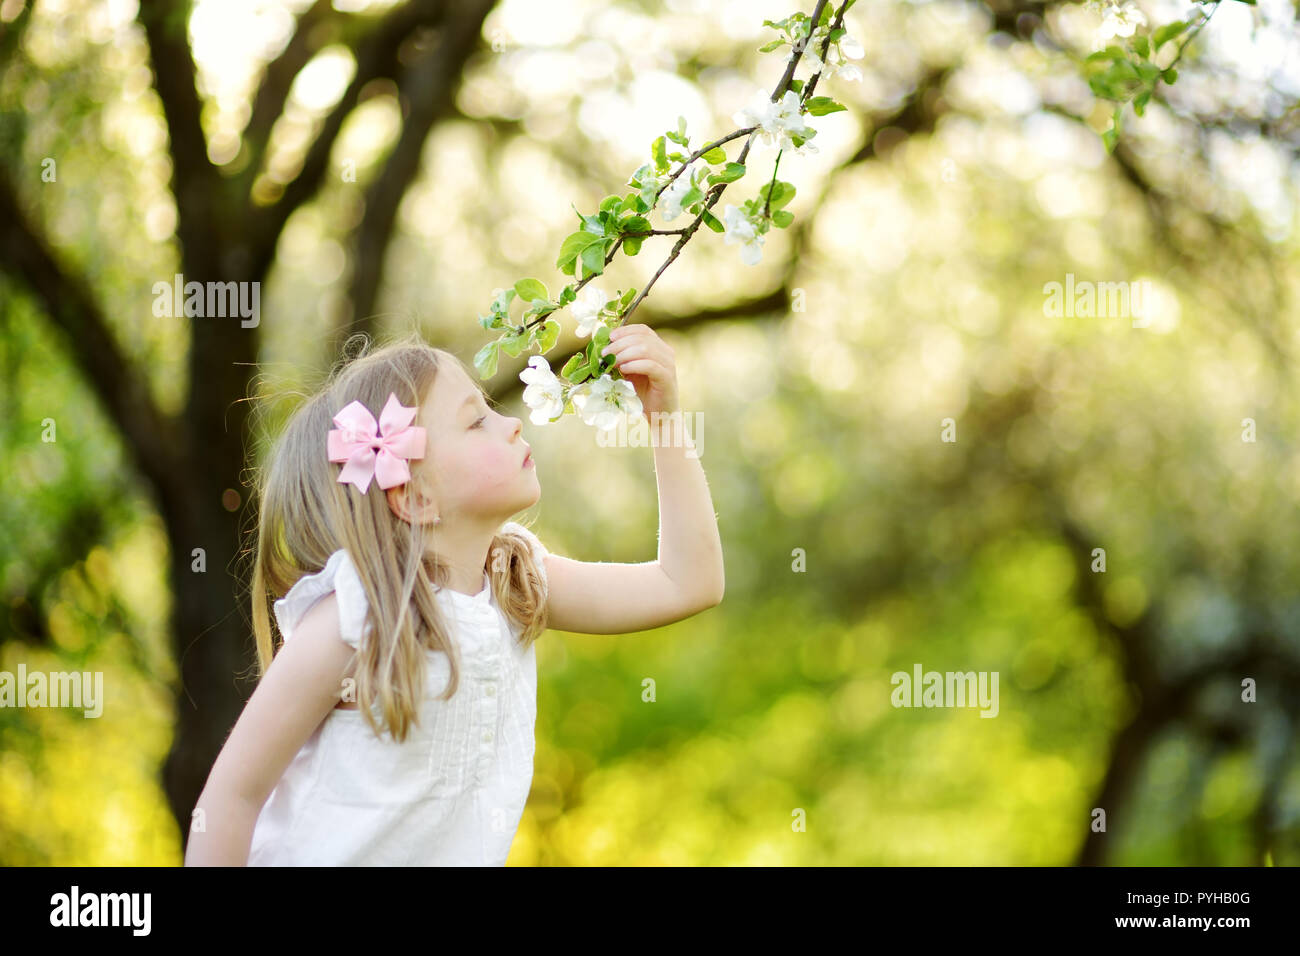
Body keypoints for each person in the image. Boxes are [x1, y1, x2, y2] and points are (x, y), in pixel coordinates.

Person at [183, 326, 724, 865]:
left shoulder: (516, 582)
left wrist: (664, 418)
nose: (511, 424)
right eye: (476, 420)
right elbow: (233, 796)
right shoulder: (355, 617)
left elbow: (689, 582)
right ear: (416, 497)